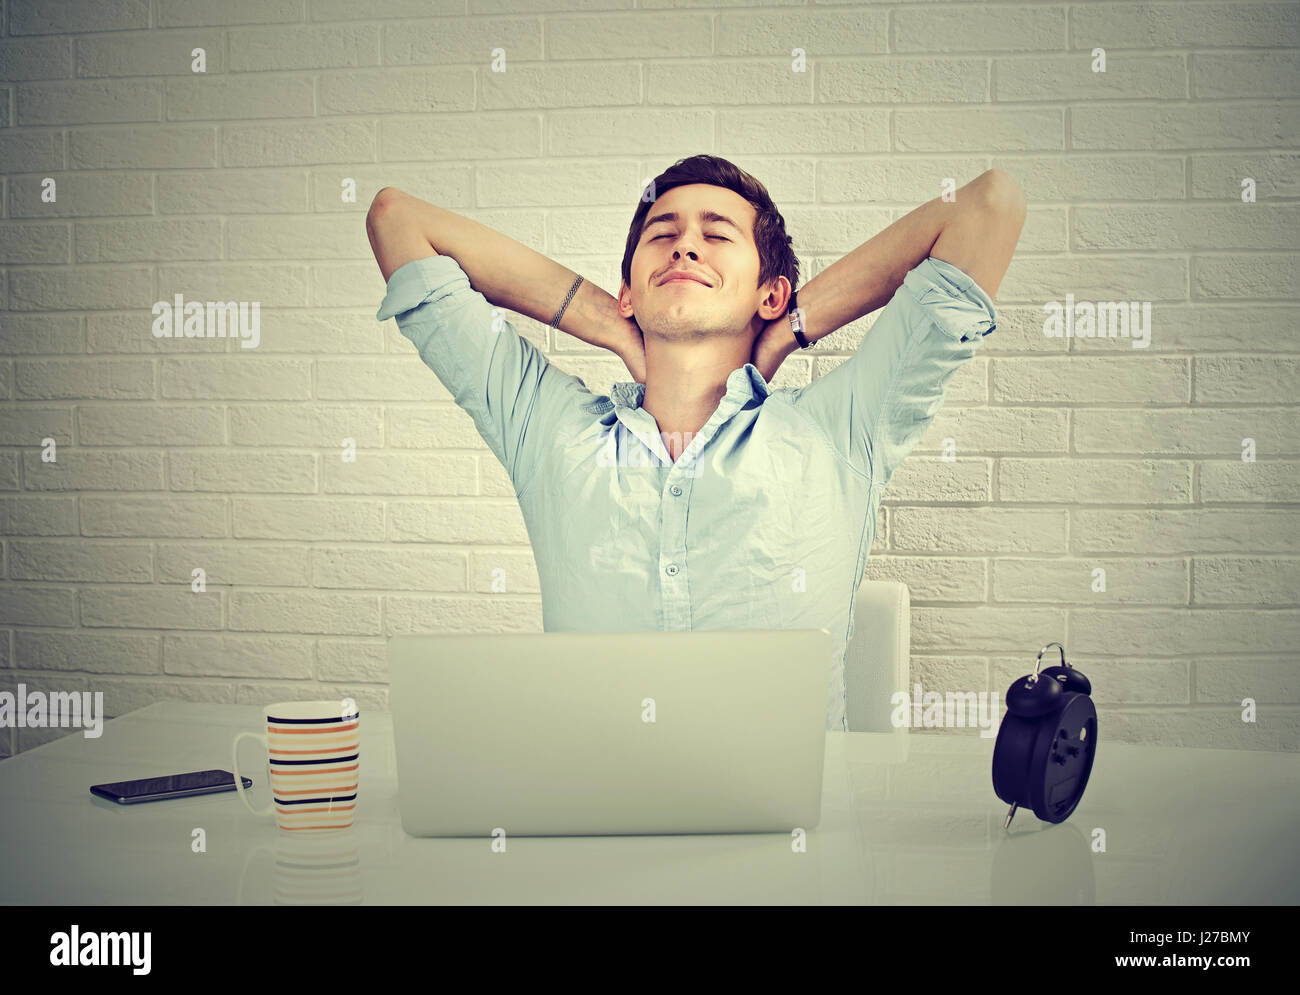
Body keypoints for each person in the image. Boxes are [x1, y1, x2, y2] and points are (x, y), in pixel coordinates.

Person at [367, 154, 1026, 731]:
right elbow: (398, 220)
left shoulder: (842, 428)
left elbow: (989, 207)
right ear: (628, 288)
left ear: (770, 291)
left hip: (796, 857)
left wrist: (787, 328)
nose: (684, 248)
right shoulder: (550, 429)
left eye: (716, 234)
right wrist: (608, 320)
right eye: (663, 234)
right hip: (594, 839)